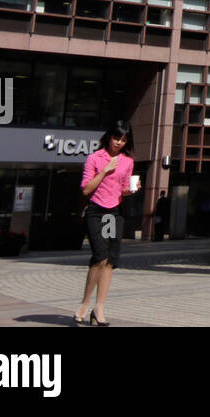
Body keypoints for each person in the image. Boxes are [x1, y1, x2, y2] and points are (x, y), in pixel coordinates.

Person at [74, 121, 134, 326]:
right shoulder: (95, 158)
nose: (119, 142)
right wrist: (105, 170)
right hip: (96, 211)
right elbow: (85, 189)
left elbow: (123, 189)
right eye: (117, 138)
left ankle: (99, 309)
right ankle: (84, 303)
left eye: (123, 140)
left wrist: (131, 190)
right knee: (99, 256)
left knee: (109, 260)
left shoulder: (127, 162)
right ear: (109, 137)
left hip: (113, 214)